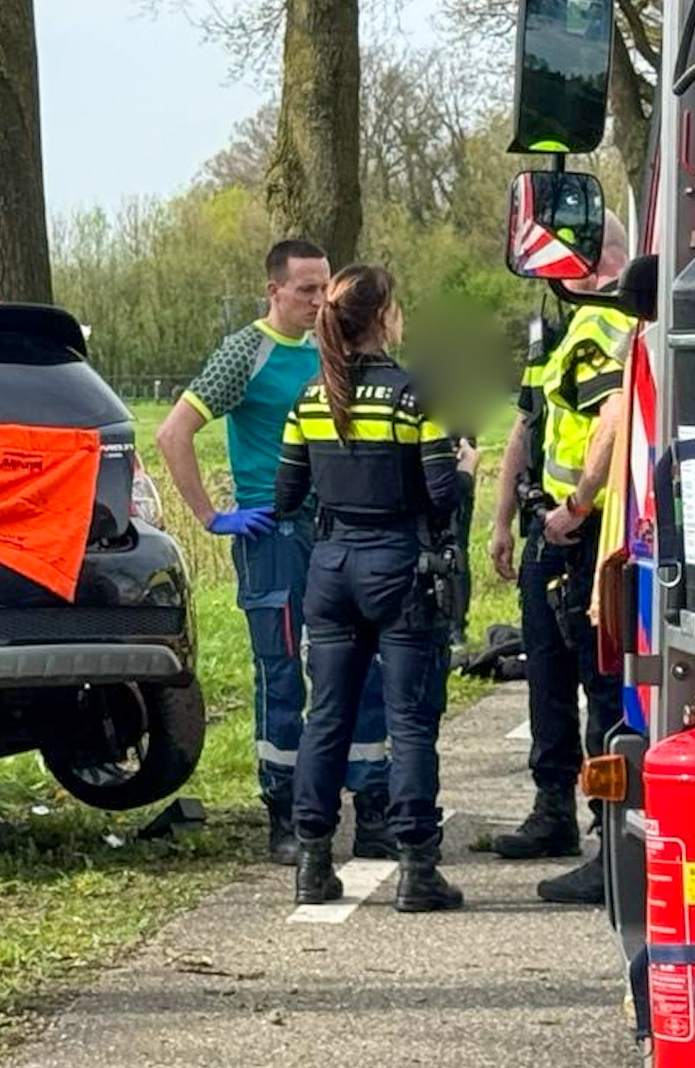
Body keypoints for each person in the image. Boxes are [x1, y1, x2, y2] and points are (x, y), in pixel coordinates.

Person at [156, 239, 396, 866]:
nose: (319, 301)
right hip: (276, 535)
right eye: (307, 291)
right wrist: (213, 516)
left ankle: (372, 805)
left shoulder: (336, 347)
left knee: (361, 667)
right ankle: (283, 812)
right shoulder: (247, 351)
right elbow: (173, 431)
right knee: (283, 670)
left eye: (326, 290)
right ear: (274, 292)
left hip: (342, 529)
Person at [274, 264, 479, 912]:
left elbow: (286, 496)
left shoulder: (310, 398)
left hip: (331, 569)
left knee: (326, 716)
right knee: (410, 722)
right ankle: (419, 869)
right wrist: (466, 468)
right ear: (384, 316)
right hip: (400, 565)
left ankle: (313, 862)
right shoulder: (416, 394)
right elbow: (443, 496)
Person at [485, 210, 636, 905]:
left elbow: (610, 417)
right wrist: (502, 520)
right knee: (545, 675)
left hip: (590, 532)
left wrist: (578, 504)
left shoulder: (607, 324)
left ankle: (612, 843)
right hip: (549, 526)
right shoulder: (560, 327)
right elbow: (526, 423)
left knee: (600, 687)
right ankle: (553, 812)